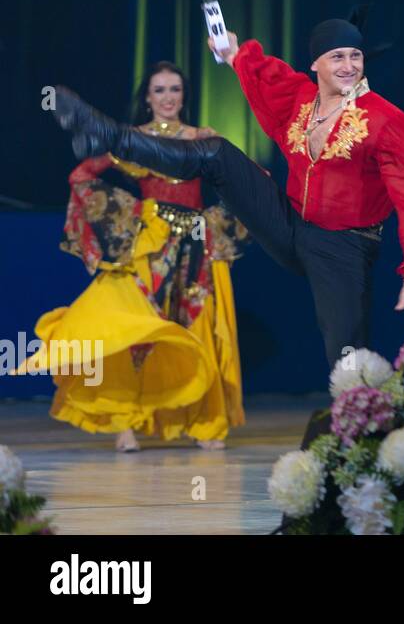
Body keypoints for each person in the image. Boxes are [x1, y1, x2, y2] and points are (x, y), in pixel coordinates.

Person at [49, 17, 404, 367]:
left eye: (355, 56)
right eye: (337, 56)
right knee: (215, 153)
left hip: (343, 247)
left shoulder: (382, 120)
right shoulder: (302, 99)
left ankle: (359, 442)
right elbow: (266, 74)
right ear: (316, 64)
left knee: (347, 354)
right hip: (288, 224)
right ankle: (109, 134)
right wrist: (232, 52)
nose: (348, 65)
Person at [18, 62, 248, 452]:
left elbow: (244, 176)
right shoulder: (132, 139)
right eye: (159, 90)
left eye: (175, 89)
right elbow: (82, 176)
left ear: (184, 95)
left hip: (195, 245)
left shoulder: (203, 138)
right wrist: (128, 216)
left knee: (195, 328)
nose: (168, 97)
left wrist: (223, 217)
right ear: (147, 97)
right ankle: (124, 424)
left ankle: (202, 422)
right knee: (137, 333)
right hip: (149, 245)